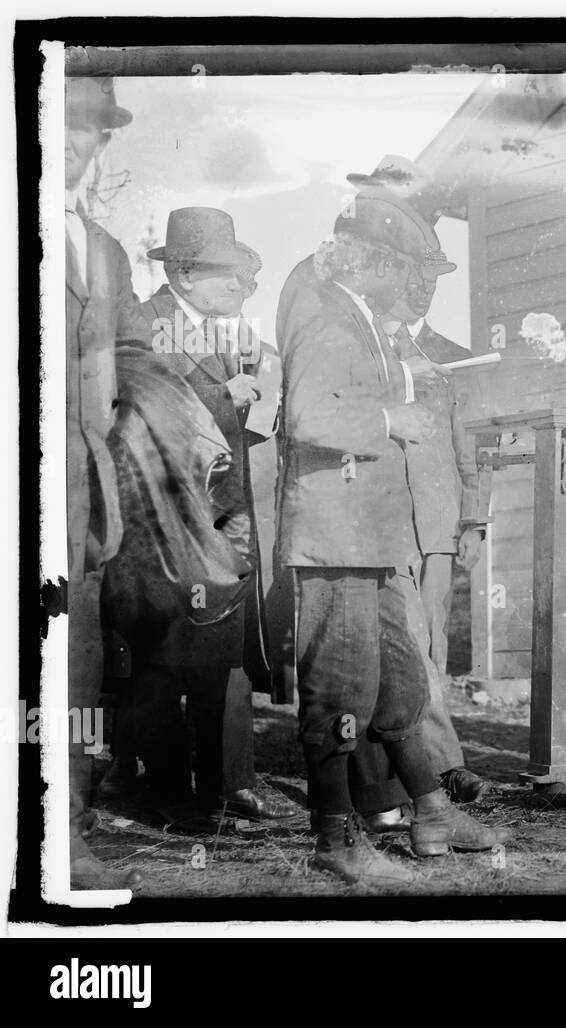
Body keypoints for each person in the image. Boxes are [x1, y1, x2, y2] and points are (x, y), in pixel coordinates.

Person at [276, 193, 509, 886]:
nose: (412, 284)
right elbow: (310, 415)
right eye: (403, 268)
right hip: (336, 540)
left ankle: (431, 811)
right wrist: (390, 419)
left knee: (402, 684)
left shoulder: (364, 318)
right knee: (339, 692)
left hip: (374, 539)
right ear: (372, 263)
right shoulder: (327, 318)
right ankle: (335, 838)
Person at [112, 207, 297, 829]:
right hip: (165, 519)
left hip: (225, 516)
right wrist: (227, 397)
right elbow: (147, 404)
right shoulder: (142, 322)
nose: (240, 288)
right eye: (228, 275)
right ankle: (167, 794)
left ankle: (227, 784)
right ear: (186, 274)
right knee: (165, 653)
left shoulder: (228, 331)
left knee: (224, 654)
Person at [348, 213, 493, 831]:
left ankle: (422, 773)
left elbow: (473, 444)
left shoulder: (453, 358)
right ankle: (429, 772)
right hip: (378, 519)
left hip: (435, 522)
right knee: (394, 648)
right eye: (418, 274)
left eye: (436, 277)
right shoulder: (363, 344)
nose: (425, 287)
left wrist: (474, 519)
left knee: (424, 643)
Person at [63, 74, 144, 890]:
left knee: (75, 664)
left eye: (90, 129)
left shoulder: (105, 250)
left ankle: (65, 832)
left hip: (81, 497)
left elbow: (130, 363)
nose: (74, 140)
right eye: (60, 120)